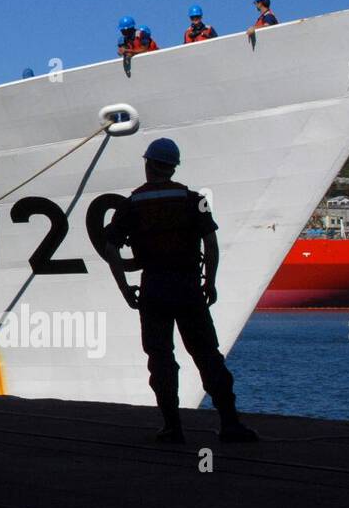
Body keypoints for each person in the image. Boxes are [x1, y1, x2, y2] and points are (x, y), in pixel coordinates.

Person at [102, 138, 258, 444]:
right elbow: (211, 245)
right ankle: (229, 423)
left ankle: (172, 427)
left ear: (148, 165)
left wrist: (123, 288)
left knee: (160, 358)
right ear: (173, 167)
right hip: (187, 286)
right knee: (207, 355)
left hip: (154, 287)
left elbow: (110, 248)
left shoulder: (130, 204)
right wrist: (209, 281)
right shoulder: (194, 200)